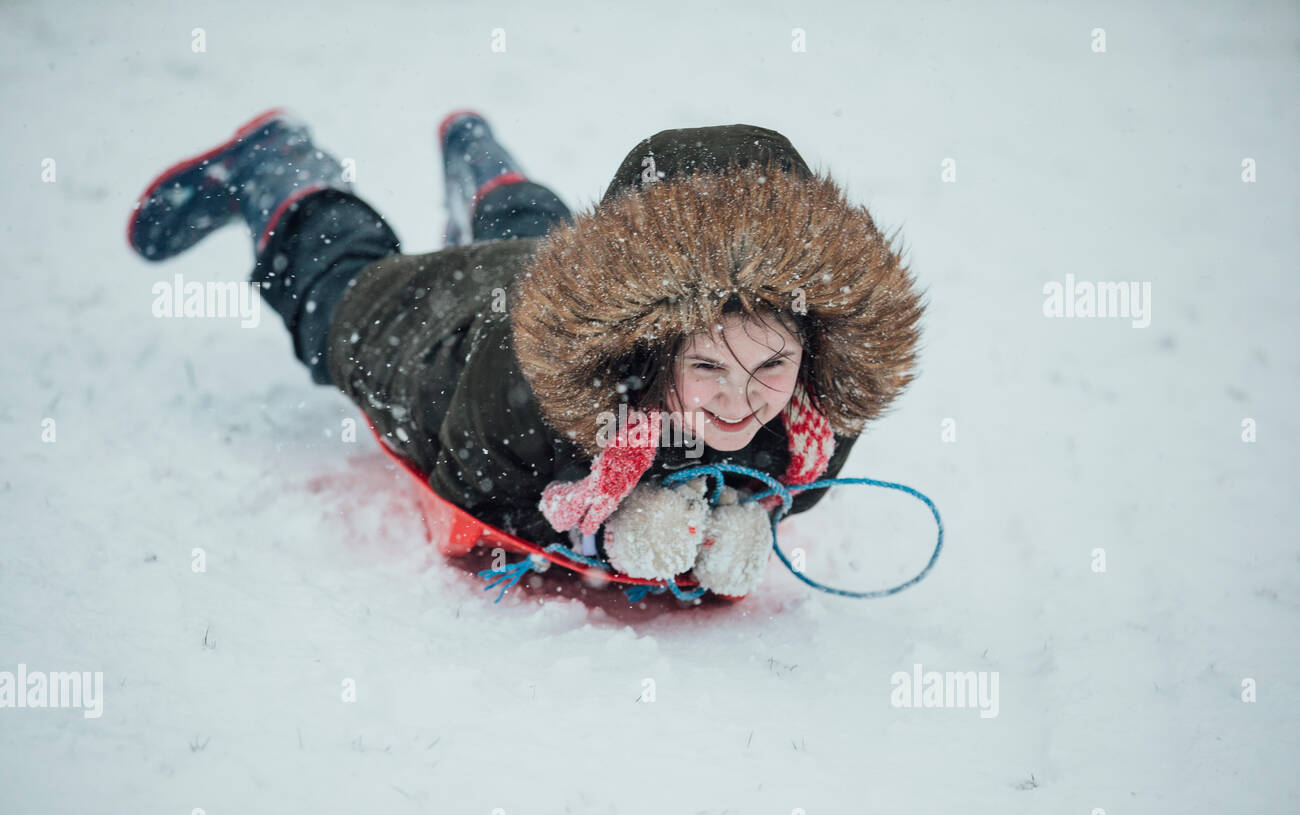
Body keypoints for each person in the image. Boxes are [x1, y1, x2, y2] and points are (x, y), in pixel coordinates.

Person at [126, 110, 925, 596]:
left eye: (771, 367)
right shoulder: (530, 403)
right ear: (650, 353)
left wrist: (738, 516)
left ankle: (489, 174)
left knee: (540, 246)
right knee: (339, 293)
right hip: (452, 329)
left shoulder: (812, 421)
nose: (741, 399)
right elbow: (472, 501)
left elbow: (786, 486)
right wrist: (621, 521)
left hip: (554, 278)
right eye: (708, 366)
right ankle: (282, 169)